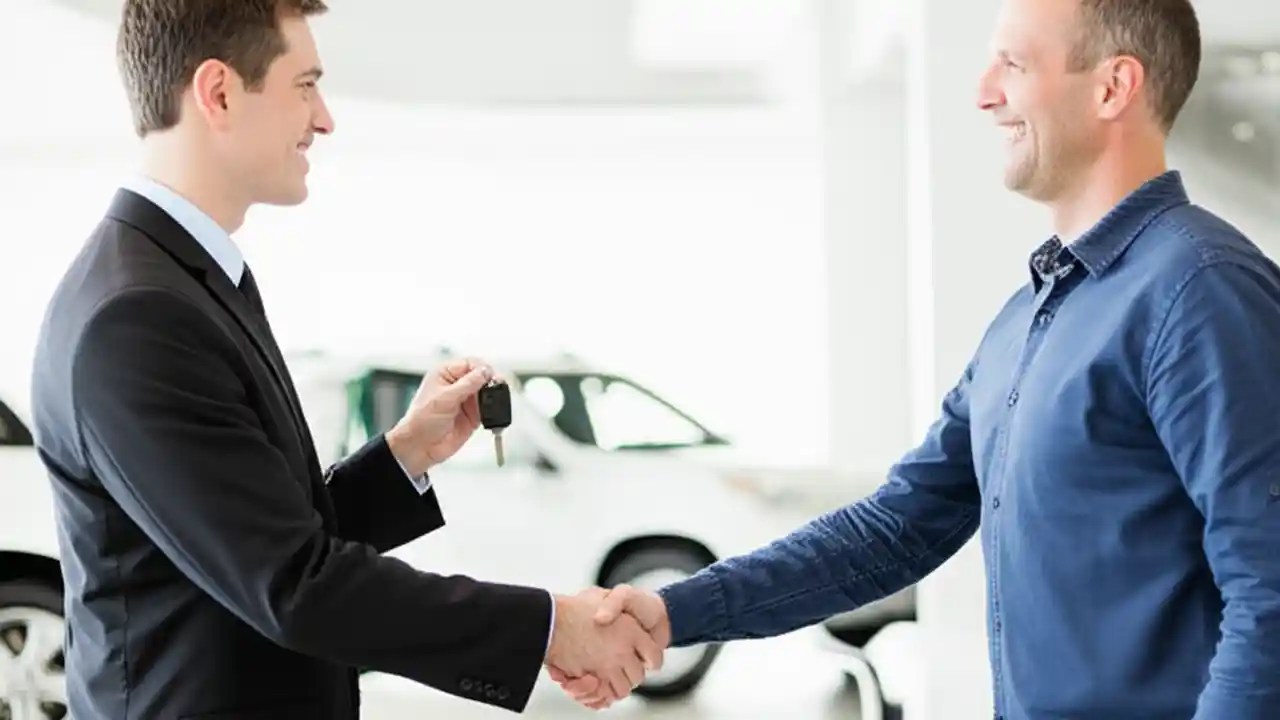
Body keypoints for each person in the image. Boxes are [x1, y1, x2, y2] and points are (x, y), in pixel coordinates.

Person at [553, 0, 1280, 717]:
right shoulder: (1028, 316)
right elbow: (895, 529)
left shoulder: (1200, 290)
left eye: (1014, 64)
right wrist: (671, 613)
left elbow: (1270, 587)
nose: (983, 92)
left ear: (1112, 87)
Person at [29, 1, 661, 718]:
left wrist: (402, 457)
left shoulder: (179, 282)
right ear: (219, 93)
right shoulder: (137, 317)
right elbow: (294, 586)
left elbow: (260, 536)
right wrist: (550, 626)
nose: (324, 118)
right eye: (305, 85)